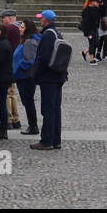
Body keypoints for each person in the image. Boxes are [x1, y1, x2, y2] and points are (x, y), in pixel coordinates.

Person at [30, 10, 67, 151]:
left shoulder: (47, 35)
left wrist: (35, 75)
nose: (40, 21)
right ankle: (56, 140)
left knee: (48, 109)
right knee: (55, 109)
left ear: (45, 21)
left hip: (49, 77)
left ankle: (46, 141)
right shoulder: (57, 33)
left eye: (41, 19)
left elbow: (43, 58)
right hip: (58, 75)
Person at [12, 17, 40, 136]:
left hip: (25, 76)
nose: (20, 29)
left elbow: (29, 61)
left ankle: (33, 125)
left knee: (28, 101)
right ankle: (32, 125)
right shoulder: (25, 40)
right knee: (27, 101)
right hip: (22, 76)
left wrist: (18, 68)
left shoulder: (29, 42)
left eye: (22, 27)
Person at [0, 22, 15, 139]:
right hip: (2, 77)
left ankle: (3, 128)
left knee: (1, 104)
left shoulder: (2, 45)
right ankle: (3, 126)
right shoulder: (2, 43)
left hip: (1, 78)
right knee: (1, 104)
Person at [79, 0, 101, 65]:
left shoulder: (97, 9)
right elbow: (85, 22)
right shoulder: (86, 10)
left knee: (97, 43)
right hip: (89, 29)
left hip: (95, 28)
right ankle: (92, 59)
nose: (98, 3)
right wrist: (86, 32)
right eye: (97, 2)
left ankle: (85, 52)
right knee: (92, 43)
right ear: (93, 2)